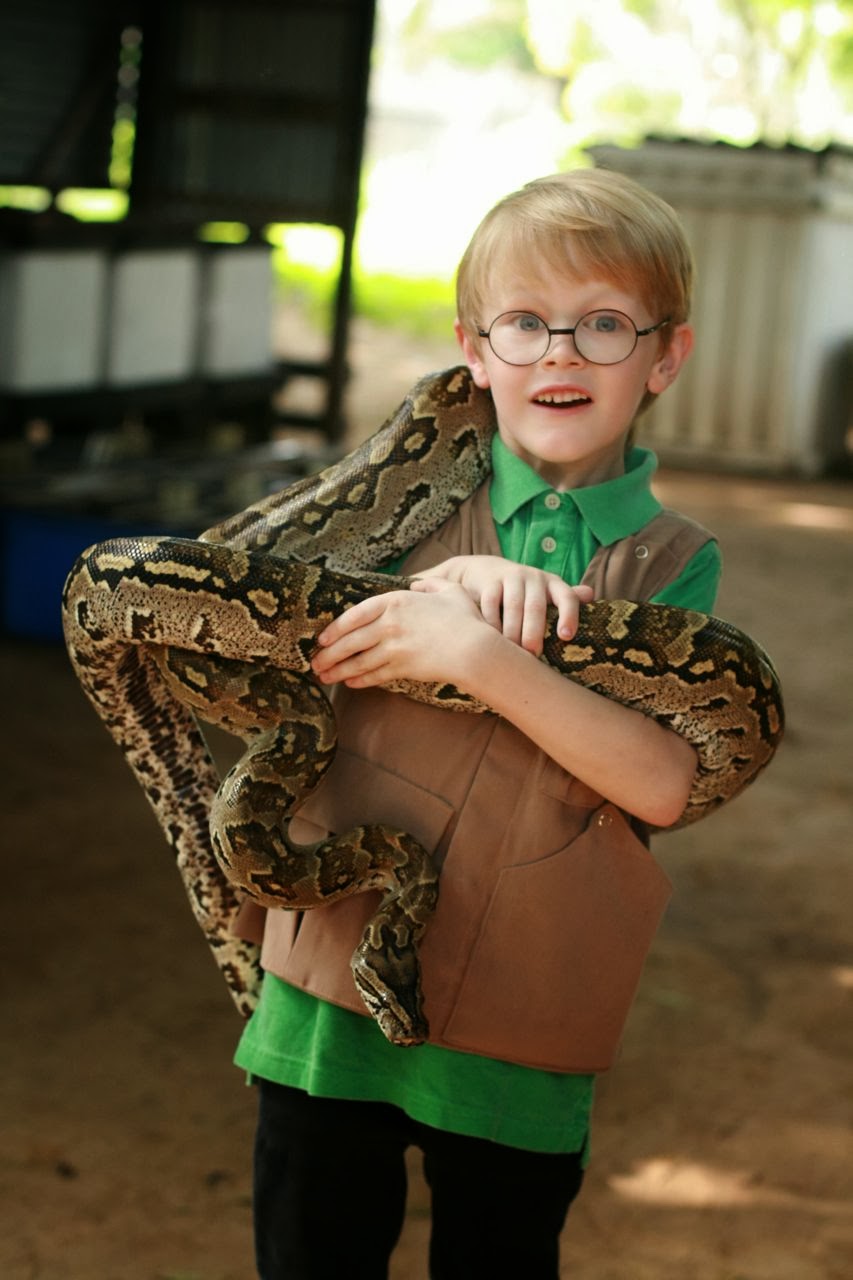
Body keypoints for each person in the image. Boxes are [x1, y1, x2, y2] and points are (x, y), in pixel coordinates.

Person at [232, 167, 722, 1279]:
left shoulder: (670, 565)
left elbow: (660, 784)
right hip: (332, 991)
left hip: (526, 1008)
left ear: (665, 357)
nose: (560, 352)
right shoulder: (382, 508)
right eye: (526, 324)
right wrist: (446, 589)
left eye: (604, 325)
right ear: (473, 350)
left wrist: (478, 657)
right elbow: (273, 641)